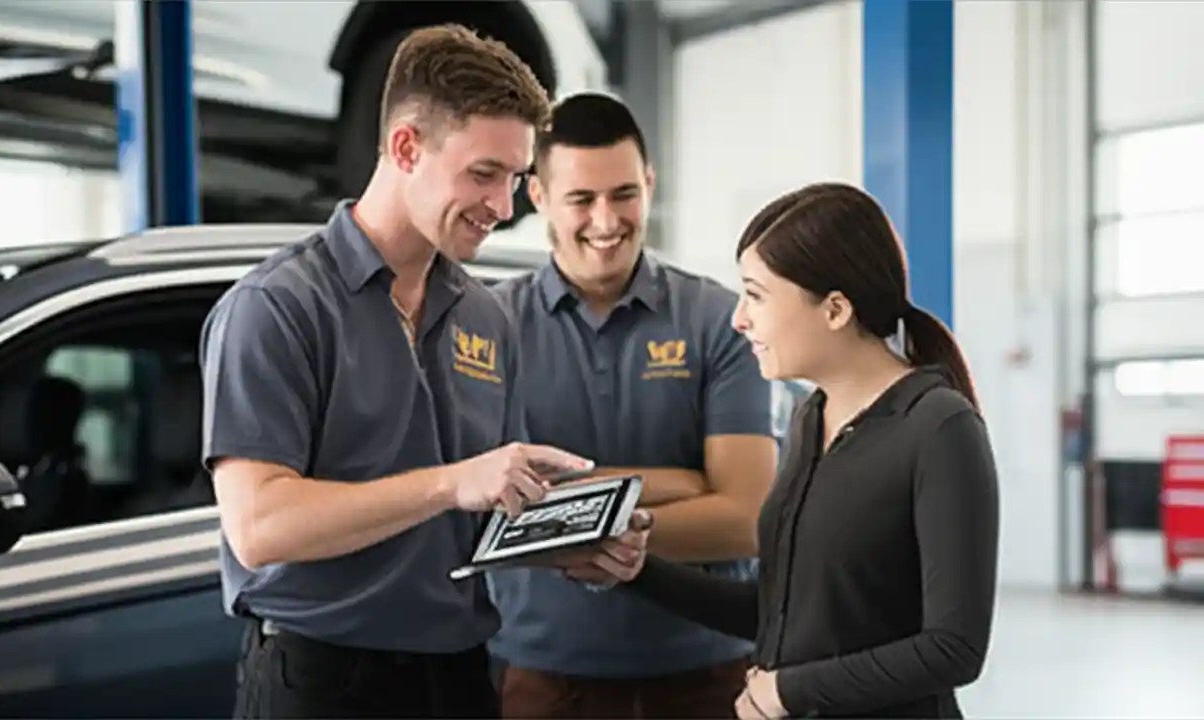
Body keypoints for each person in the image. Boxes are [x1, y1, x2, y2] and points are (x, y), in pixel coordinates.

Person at [199, 24, 593, 719]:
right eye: (483, 174)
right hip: (321, 683)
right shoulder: (278, 307)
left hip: (459, 678)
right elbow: (260, 526)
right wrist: (451, 484)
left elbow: (474, 514)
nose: (504, 209)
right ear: (407, 147)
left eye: (515, 179)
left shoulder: (486, 316)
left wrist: (571, 543)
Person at [574, 182, 1001, 718]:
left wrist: (788, 691)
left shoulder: (939, 427)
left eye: (755, 295)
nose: (739, 319)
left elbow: (953, 648)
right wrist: (636, 570)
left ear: (836, 309)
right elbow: (782, 611)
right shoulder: (810, 418)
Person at [486, 92, 780, 719]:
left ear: (649, 183)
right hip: (547, 679)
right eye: (581, 200)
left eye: (623, 194)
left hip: (707, 672)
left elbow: (747, 518)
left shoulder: (719, 322)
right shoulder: (489, 329)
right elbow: (493, 510)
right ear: (537, 196)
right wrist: (681, 485)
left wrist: (576, 519)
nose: (606, 219)